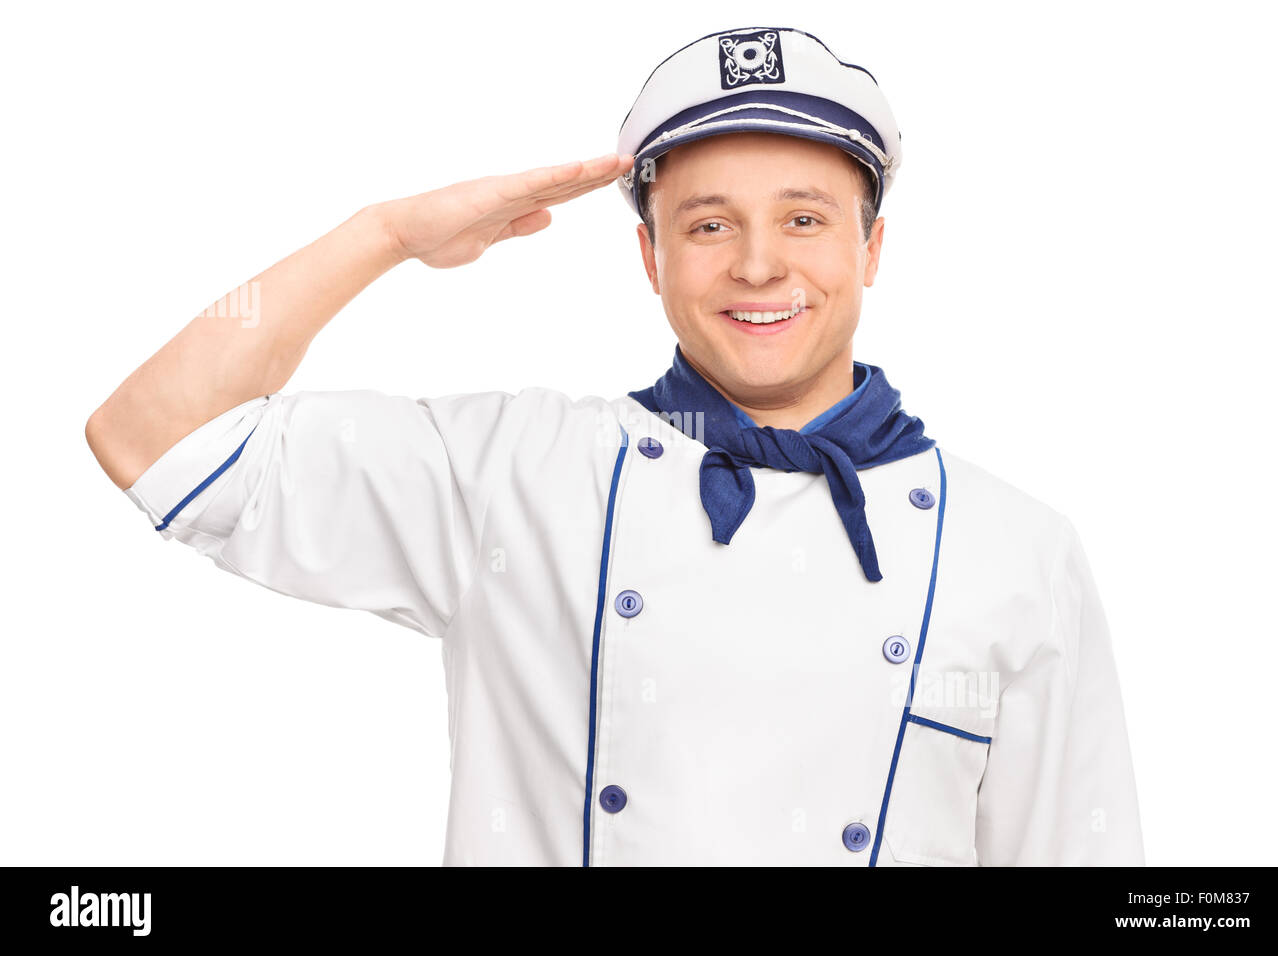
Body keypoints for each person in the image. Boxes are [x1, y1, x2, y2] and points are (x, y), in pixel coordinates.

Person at [85, 25, 1144, 866]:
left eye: (806, 219)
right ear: (649, 255)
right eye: (709, 224)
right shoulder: (515, 476)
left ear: (871, 247)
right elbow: (152, 437)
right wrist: (385, 235)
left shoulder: (1016, 551)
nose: (759, 266)